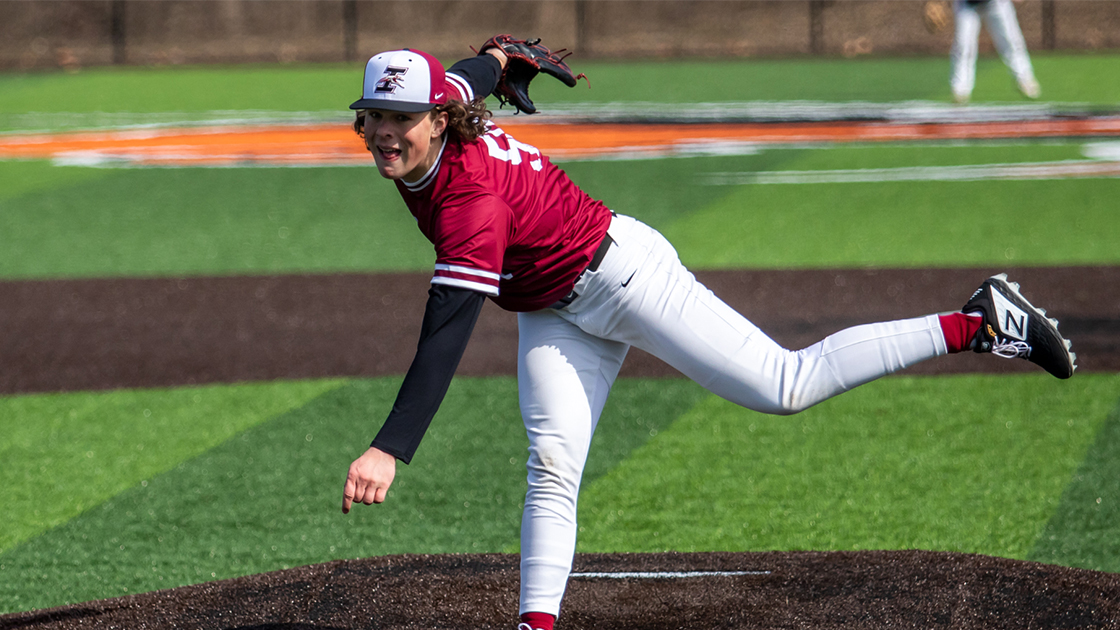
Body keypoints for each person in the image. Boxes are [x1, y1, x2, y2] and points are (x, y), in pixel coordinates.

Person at [339, 38, 1075, 630]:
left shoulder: (468, 202)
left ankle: (980, 322)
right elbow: (476, 69)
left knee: (785, 385)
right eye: (375, 115)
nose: (385, 131)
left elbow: (445, 336)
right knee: (552, 464)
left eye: (402, 118)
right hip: (552, 307)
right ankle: (538, 623)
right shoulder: (449, 104)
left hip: (625, 278)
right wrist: (499, 60)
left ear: (438, 118)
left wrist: (389, 447)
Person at [950, 0, 1041, 103]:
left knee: (1011, 41)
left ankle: (1025, 79)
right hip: (967, 4)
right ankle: (961, 90)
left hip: (996, 2)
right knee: (963, 46)